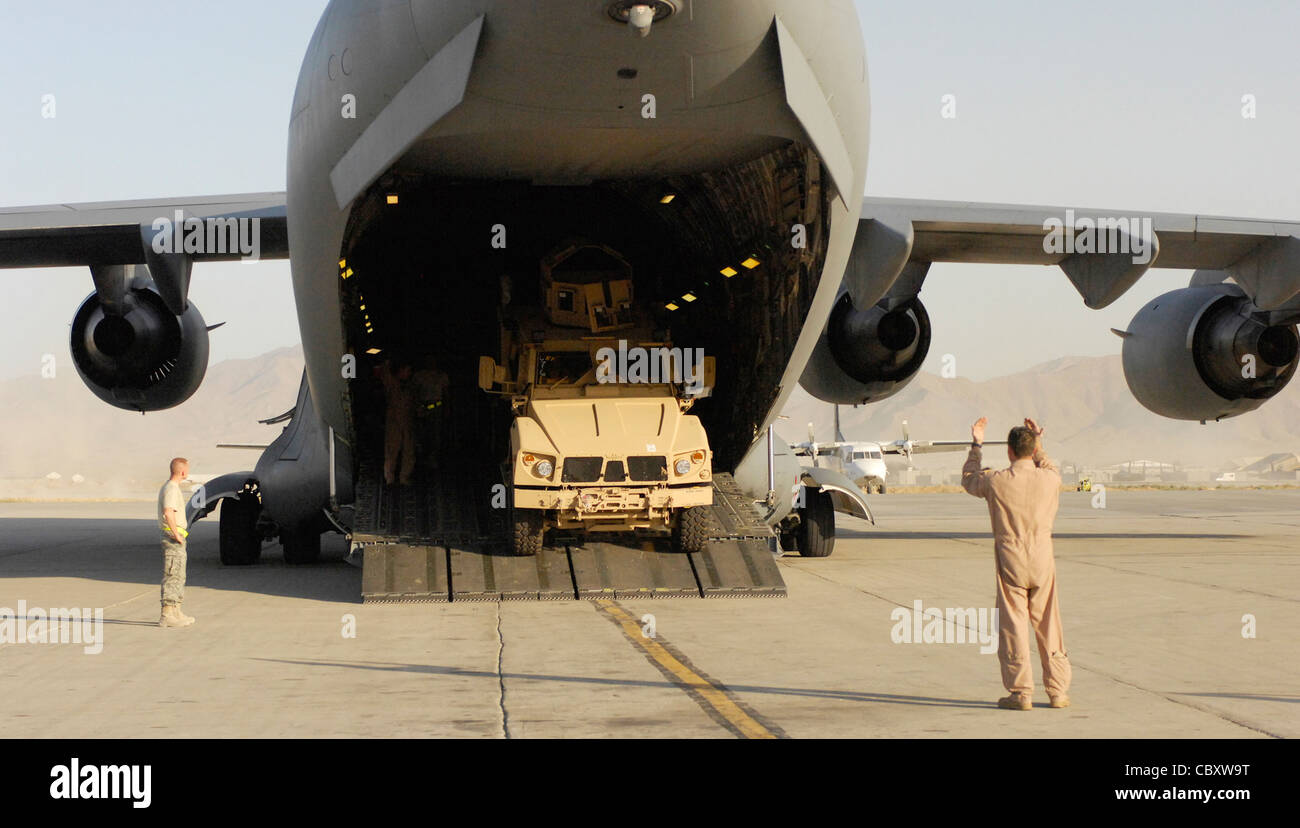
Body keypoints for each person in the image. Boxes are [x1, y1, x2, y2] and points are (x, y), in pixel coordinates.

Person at [961, 417, 1071, 710]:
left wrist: (977, 443)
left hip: (1011, 559)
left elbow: (969, 478)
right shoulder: (1049, 478)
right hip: (1042, 558)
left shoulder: (995, 480)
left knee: (1013, 626)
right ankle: (1057, 691)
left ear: (1009, 451)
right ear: (1033, 449)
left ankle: (1021, 692)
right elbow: (1049, 466)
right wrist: (1040, 444)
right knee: (1049, 624)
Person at [158, 457, 196, 628]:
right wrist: (176, 534)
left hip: (177, 538)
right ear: (182, 471)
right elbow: (168, 513)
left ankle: (176, 611)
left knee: (179, 575)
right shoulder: (171, 489)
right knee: (173, 575)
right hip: (174, 539)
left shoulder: (172, 488)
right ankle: (167, 614)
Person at [377, 358, 416, 486]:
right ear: (402, 370)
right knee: (392, 450)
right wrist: (387, 361)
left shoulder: (410, 386)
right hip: (394, 422)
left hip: (407, 422)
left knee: (408, 451)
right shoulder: (392, 383)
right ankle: (389, 478)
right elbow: (384, 374)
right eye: (407, 370)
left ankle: (404, 477)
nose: (409, 373)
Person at [411, 355, 451, 473]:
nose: (431, 362)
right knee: (421, 434)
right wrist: (416, 407)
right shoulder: (419, 376)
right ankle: (421, 458)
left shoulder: (442, 376)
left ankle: (433, 459)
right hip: (422, 408)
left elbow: (446, 394)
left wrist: (447, 409)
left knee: (435, 434)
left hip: (437, 408)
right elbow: (413, 393)